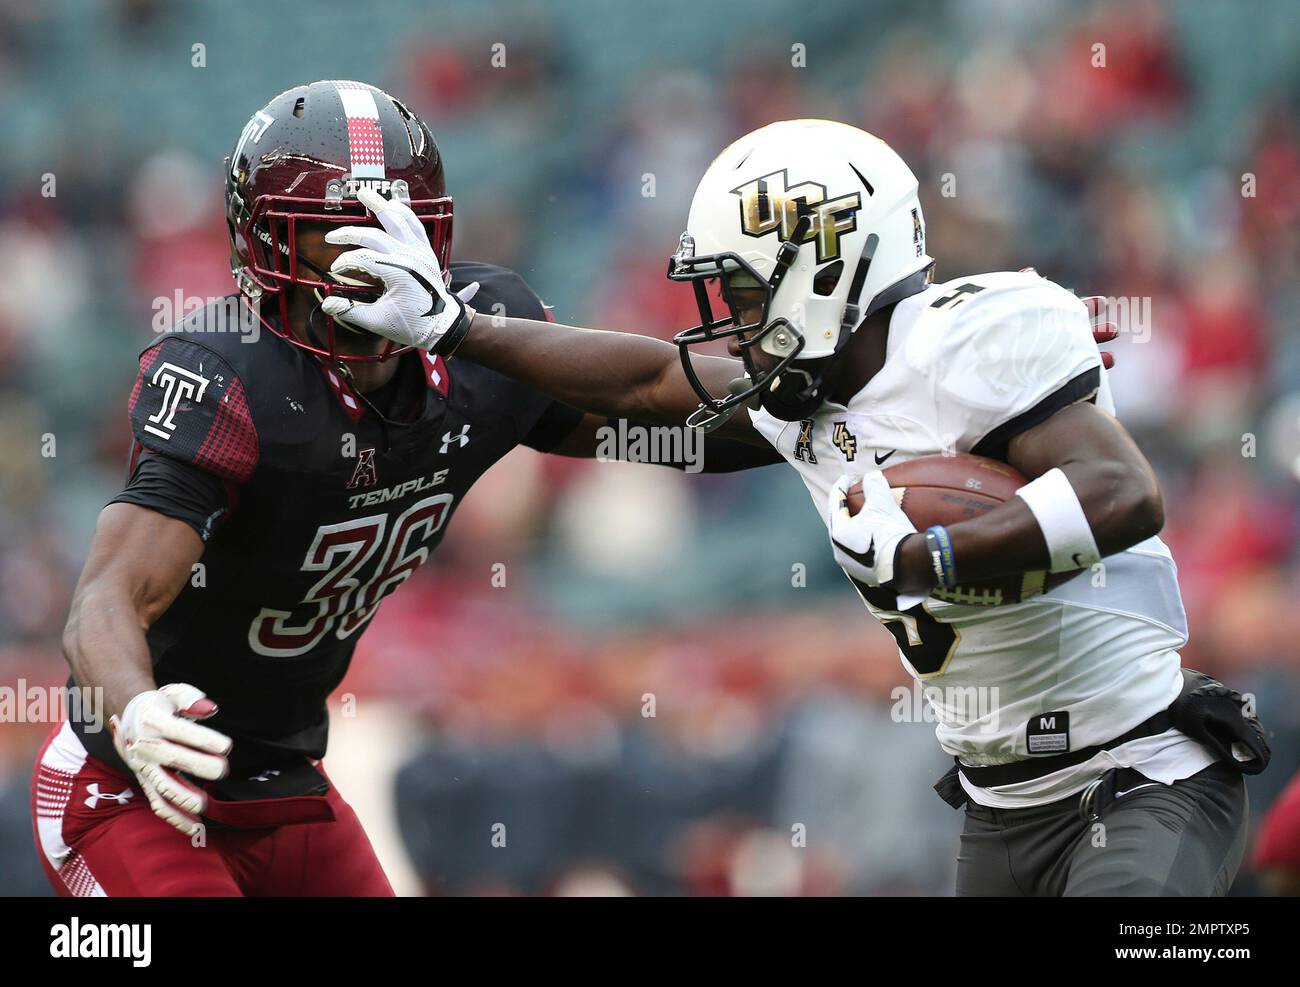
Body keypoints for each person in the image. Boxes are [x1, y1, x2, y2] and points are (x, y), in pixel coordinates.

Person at [328, 119, 1266, 896]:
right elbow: (649, 379)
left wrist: (930, 558)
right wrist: (459, 330)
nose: (728, 315)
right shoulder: (803, 406)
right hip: (1001, 805)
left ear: (825, 263)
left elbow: (1123, 492)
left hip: (1137, 772)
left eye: (739, 287)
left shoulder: (978, 336)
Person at [32, 80, 776, 897]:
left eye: (394, 229)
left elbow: (665, 418)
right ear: (264, 244)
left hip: (285, 784)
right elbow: (106, 595)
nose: (364, 263)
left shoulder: (480, 340)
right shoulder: (229, 375)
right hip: (132, 792)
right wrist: (136, 711)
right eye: (327, 235)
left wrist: (814, 418)